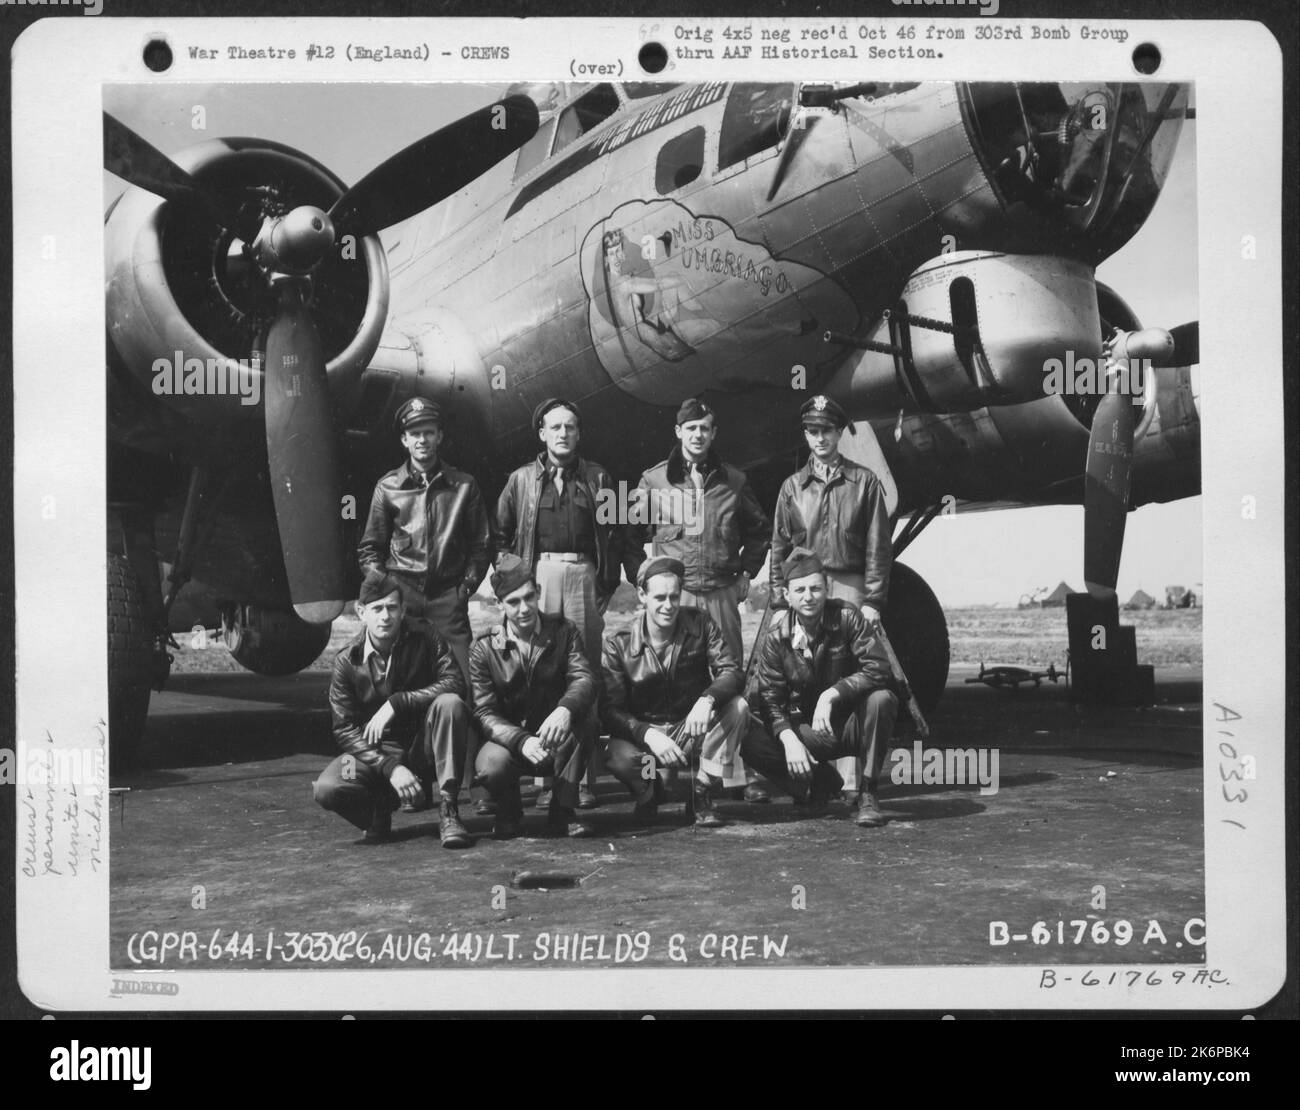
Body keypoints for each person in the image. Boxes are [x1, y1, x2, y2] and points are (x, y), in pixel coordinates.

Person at [494, 397, 641, 808]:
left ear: (579, 433)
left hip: (583, 579)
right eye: (555, 427)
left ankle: (583, 780)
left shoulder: (600, 479)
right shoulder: (520, 480)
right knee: (542, 675)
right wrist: (513, 580)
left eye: (570, 427)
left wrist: (611, 578)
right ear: (542, 433)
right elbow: (500, 536)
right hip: (536, 577)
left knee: (584, 676)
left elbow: (619, 531)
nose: (563, 434)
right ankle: (546, 779)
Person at [634, 397, 772, 802]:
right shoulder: (654, 482)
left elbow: (760, 531)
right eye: (690, 428)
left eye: (705, 429)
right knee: (673, 679)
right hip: (676, 600)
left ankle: (732, 776)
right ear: (678, 432)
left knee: (728, 683)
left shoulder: (733, 481)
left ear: (713, 434)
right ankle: (668, 774)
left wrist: (747, 573)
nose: (697, 435)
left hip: (720, 593)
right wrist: (643, 578)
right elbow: (629, 533)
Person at [769, 393, 891, 798]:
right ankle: (804, 770)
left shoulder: (865, 482)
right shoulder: (791, 487)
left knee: (854, 673)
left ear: (840, 433)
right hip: (804, 586)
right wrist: (776, 602)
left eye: (827, 431)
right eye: (812, 431)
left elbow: (878, 546)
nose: (819, 438)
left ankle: (858, 783)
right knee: (797, 671)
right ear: (805, 435)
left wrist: (873, 601)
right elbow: (779, 547)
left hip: (849, 582)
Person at [313, 570, 473, 848]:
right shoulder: (347, 660)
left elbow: (456, 683)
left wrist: (398, 702)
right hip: (379, 752)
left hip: (424, 744)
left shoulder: (426, 635)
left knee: (450, 704)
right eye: (377, 609)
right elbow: (344, 729)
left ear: (402, 610)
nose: (384, 616)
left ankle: (449, 808)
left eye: (391, 608)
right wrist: (389, 767)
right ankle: (379, 809)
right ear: (361, 613)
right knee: (328, 787)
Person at [744, 548, 898, 827]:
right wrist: (789, 739)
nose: (808, 596)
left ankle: (868, 791)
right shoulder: (777, 637)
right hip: (808, 731)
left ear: (827, 589)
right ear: (787, 596)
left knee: (882, 699)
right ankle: (820, 782)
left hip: (852, 723)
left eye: (815, 588)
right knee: (748, 734)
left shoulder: (848, 617)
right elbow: (768, 699)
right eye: (799, 590)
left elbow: (879, 668)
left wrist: (833, 694)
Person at [601, 556, 754, 828]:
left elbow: (731, 671)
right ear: (641, 595)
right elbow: (611, 710)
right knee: (615, 755)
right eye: (659, 597)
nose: (668, 606)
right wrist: (647, 733)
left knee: (738, 708)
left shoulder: (702, 624)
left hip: (691, 732)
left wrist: (707, 700)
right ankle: (649, 792)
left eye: (674, 596)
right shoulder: (618, 644)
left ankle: (701, 793)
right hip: (648, 744)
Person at [357, 397, 493, 684]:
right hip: (404, 597)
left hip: (448, 598)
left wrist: (465, 589)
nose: (422, 439)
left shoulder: (464, 485)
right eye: (415, 433)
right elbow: (370, 549)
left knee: (461, 685)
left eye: (429, 432)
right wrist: (386, 591)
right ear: (404, 439)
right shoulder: (388, 487)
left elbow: (481, 547)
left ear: (439, 436)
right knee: (400, 683)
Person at [470, 555, 599, 839]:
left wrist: (565, 709)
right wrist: (520, 740)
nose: (524, 608)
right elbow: (484, 712)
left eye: (529, 597)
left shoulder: (565, 632)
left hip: (554, 738)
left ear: (539, 592)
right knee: (492, 765)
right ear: (499, 604)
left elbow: (584, 679)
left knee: (586, 718)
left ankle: (562, 811)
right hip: (509, 744)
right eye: (513, 602)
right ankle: (509, 811)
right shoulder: (483, 648)